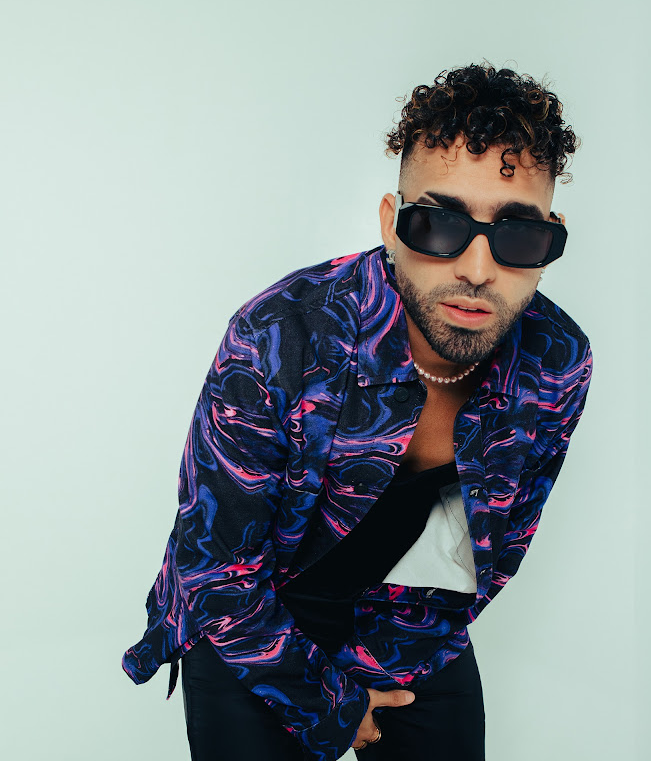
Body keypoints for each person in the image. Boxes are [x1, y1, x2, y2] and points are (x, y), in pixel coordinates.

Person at [122, 62, 593, 761]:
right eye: (438, 224)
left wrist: (385, 662)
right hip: (246, 619)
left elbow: (498, 550)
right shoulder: (281, 336)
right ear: (391, 223)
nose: (476, 269)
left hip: (403, 623)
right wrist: (330, 705)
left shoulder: (556, 361)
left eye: (518, 235)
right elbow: (215, 569)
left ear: (551, 240)